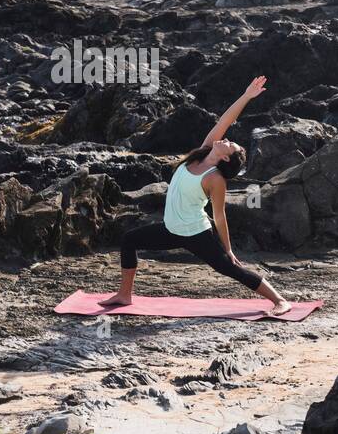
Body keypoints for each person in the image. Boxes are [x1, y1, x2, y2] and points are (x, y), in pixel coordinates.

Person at [101, 75, 292, 314]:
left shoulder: (214, 178)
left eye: (230, 145)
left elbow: (219, 216)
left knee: (230, 268)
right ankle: (124, 295)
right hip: (171, 229)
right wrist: (246, 96)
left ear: (225, 157)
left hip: (196, 233)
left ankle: (280, 300)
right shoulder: (203, 151)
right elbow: (225, 120)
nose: (227, 139)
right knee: (129, 240)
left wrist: (229, 249)